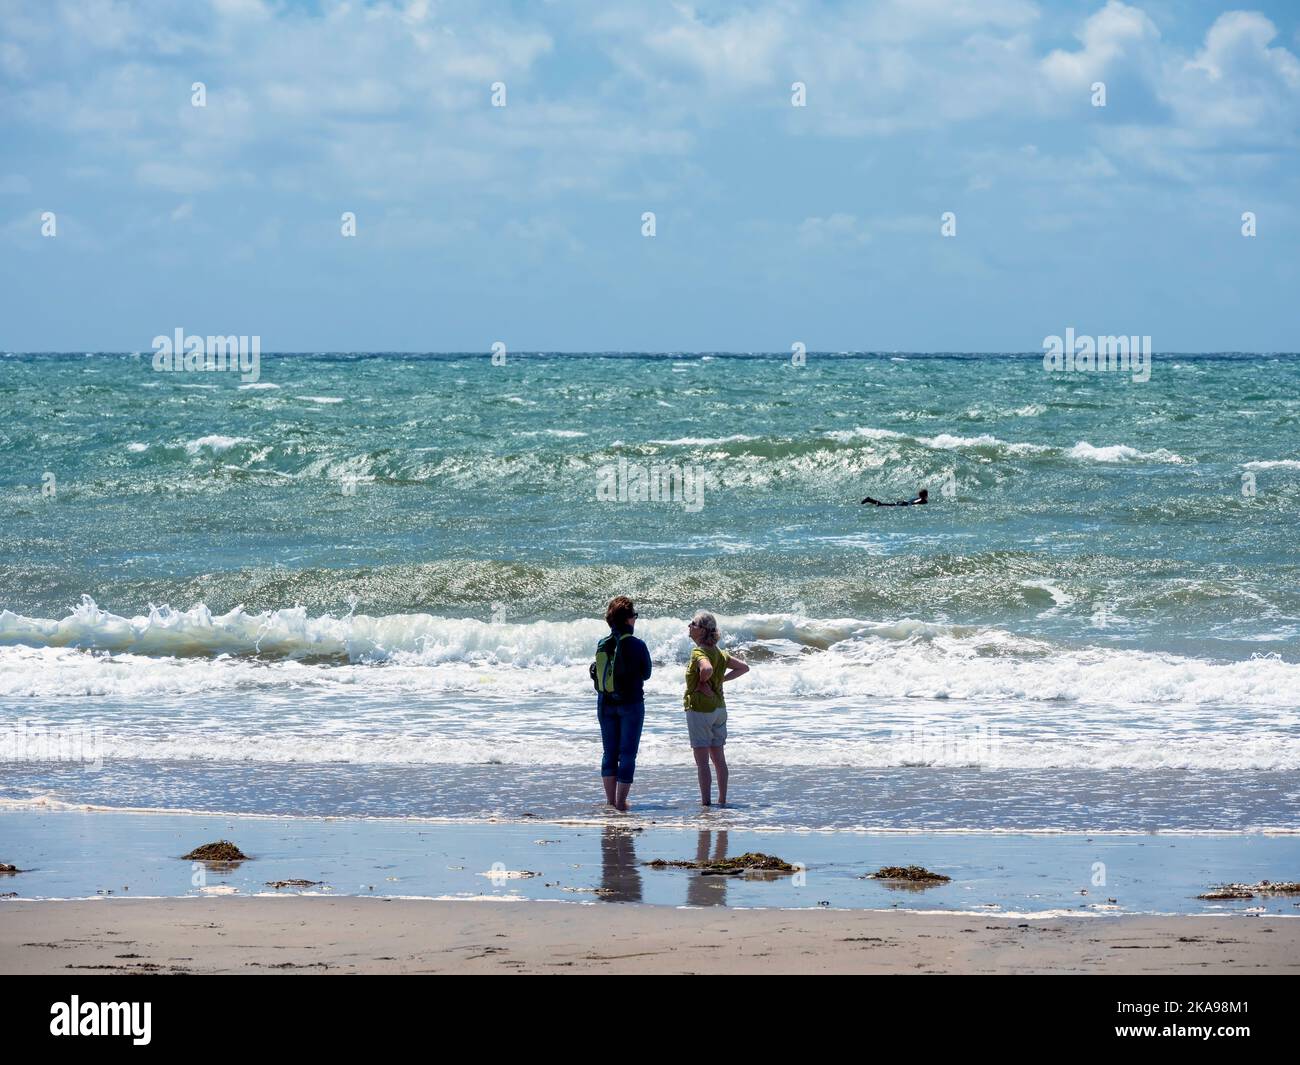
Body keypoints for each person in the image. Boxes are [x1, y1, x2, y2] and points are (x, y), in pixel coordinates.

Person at [593, 595, 652, 812]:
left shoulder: (603, 644)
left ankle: (610, 801)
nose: (635, 620)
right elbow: (646, 674)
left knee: (609, 753)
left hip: (605, 703)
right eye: (634, 616)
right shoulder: (637, 645)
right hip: (631, 704)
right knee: (627, 753)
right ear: (628, 619)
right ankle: (621, 802)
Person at [684, 610, 748, 806]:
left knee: (702, 762)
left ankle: (706, 803)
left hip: (700, 710)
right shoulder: (721, 653)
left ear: (702, 631)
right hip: (719, 710)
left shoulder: (699, 652)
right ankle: (722, 800)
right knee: (719, 759)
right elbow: (744, 667)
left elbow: (707, 669)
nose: (689, 626)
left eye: (693, 624)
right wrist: (722, 680)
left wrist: (704, 683)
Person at [861, 488, 928, 506]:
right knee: (883, 505)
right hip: (904, 504)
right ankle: (870, 500)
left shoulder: (917, 498)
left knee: (885, 504)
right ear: (926, 495)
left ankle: (870, 500)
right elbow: (913, 504)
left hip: (903, 502)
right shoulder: (923, 501)